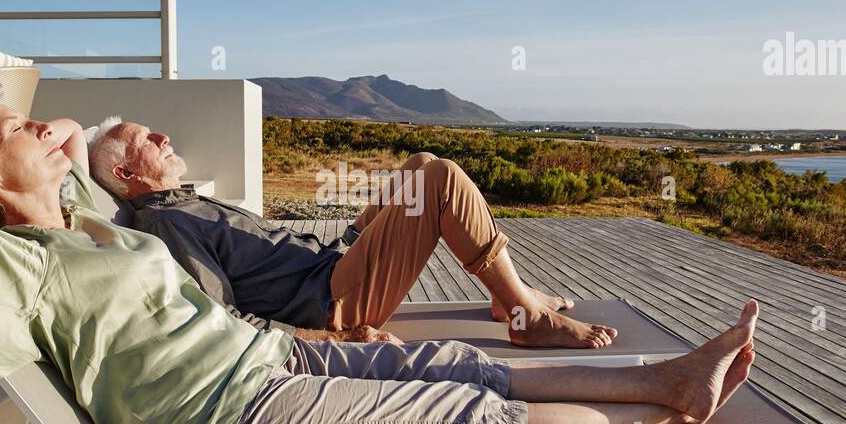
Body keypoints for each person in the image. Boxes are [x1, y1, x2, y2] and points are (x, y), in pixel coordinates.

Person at [0, 79, 758, 424]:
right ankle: (669, 407)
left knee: (458, 363)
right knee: (463, 416)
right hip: (222, 421)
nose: (46, 129)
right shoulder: (17, 260)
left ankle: (664, 372)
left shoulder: (85, 220)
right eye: (17, 131)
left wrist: (9, 135)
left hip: (265, 357)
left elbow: (77, 135)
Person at [88, 118, 621, 348]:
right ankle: (526, 317)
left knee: (420, 163)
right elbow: (220, 320)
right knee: (440, 179)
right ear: (125, 173)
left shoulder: (180, 203)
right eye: (146, 140)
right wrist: (338, 340)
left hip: (330, 261)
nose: (163, 137)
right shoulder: (167, 224)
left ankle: (509, 296)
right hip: (332, 300)